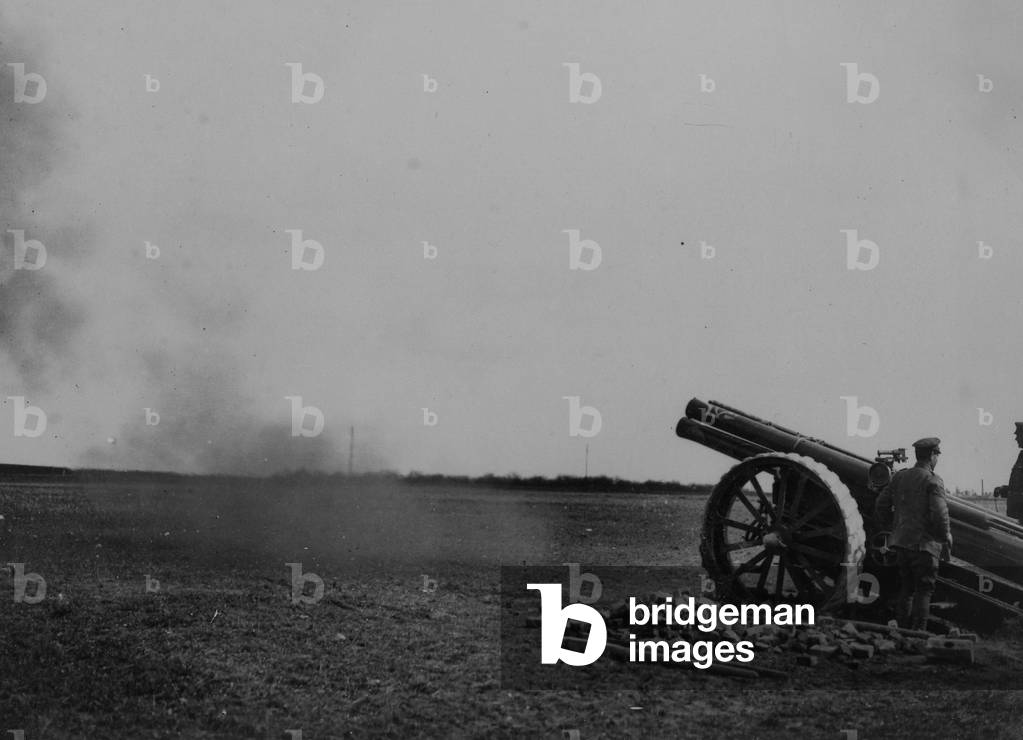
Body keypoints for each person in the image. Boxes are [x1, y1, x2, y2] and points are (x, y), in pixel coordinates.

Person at [874, 437, 952, 630]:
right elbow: (941, 515)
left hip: (900, 544)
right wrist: (944, 538)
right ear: (932, 456)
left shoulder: (899, 477)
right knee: (924, 590)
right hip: (924, 546)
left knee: (906, 589)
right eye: (936, 455)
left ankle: (901, 632)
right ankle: (919, 634)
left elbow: (881, 505)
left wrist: (895, 528)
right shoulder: (933, 480)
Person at [993, 423, 1023, 525]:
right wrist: (1003, 490)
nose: (1016, 439)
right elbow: (1017, 488)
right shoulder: (1021, 456)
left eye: (1018, 435)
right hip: (1015, 515)